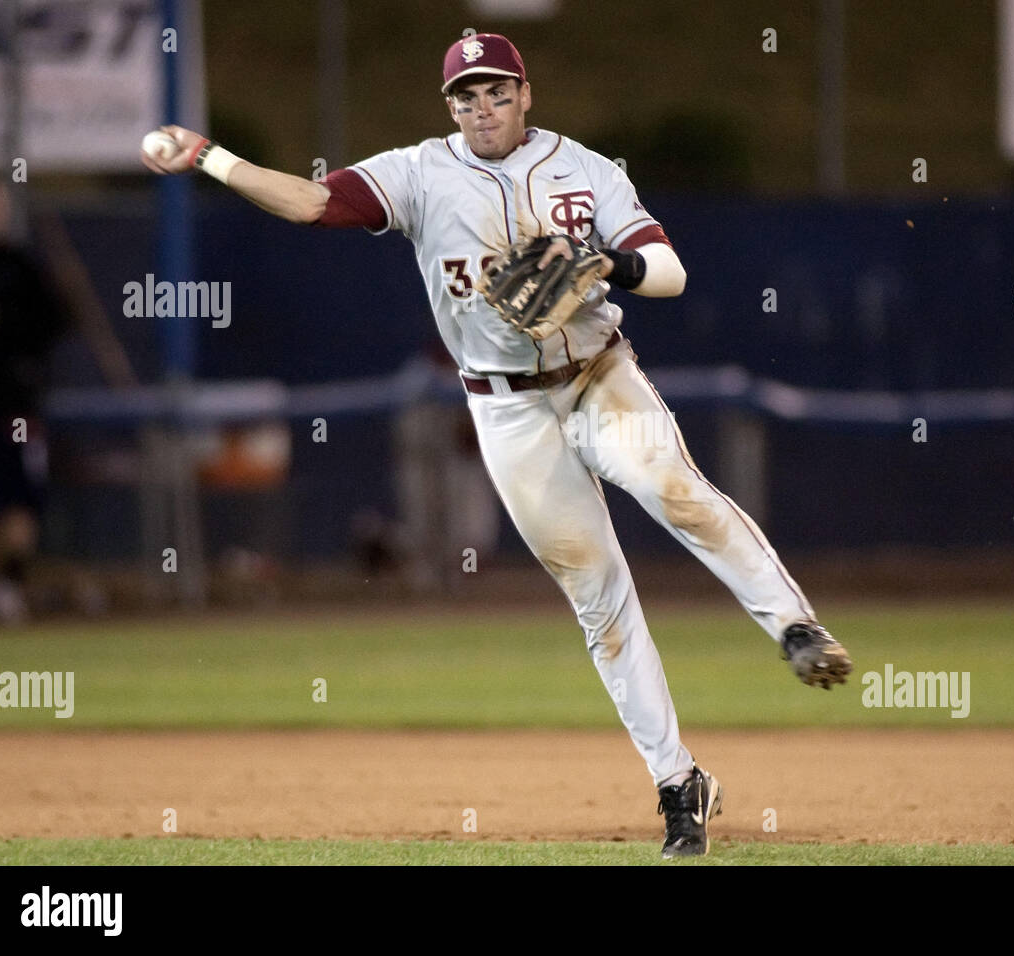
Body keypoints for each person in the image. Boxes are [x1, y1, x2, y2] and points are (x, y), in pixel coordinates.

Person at [142, 33, 852, 858]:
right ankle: (677, 784)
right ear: (450, 107)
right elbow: (309, 203)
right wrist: (210, 157)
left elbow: (669, 270)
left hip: (599, 376)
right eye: (466, 96)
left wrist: (605, 263)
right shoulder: (419, 173)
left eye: (497, 91)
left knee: (674, 490)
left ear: (527, 93)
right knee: (598, 598)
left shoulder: (586, 169)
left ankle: (794, 627)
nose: (482, 108)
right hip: (506, 410)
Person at [0, 178, 66, 624]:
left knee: (18, 505)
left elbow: (54, 326)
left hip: (14, 411)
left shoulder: (24, 269)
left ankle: (8, 589)